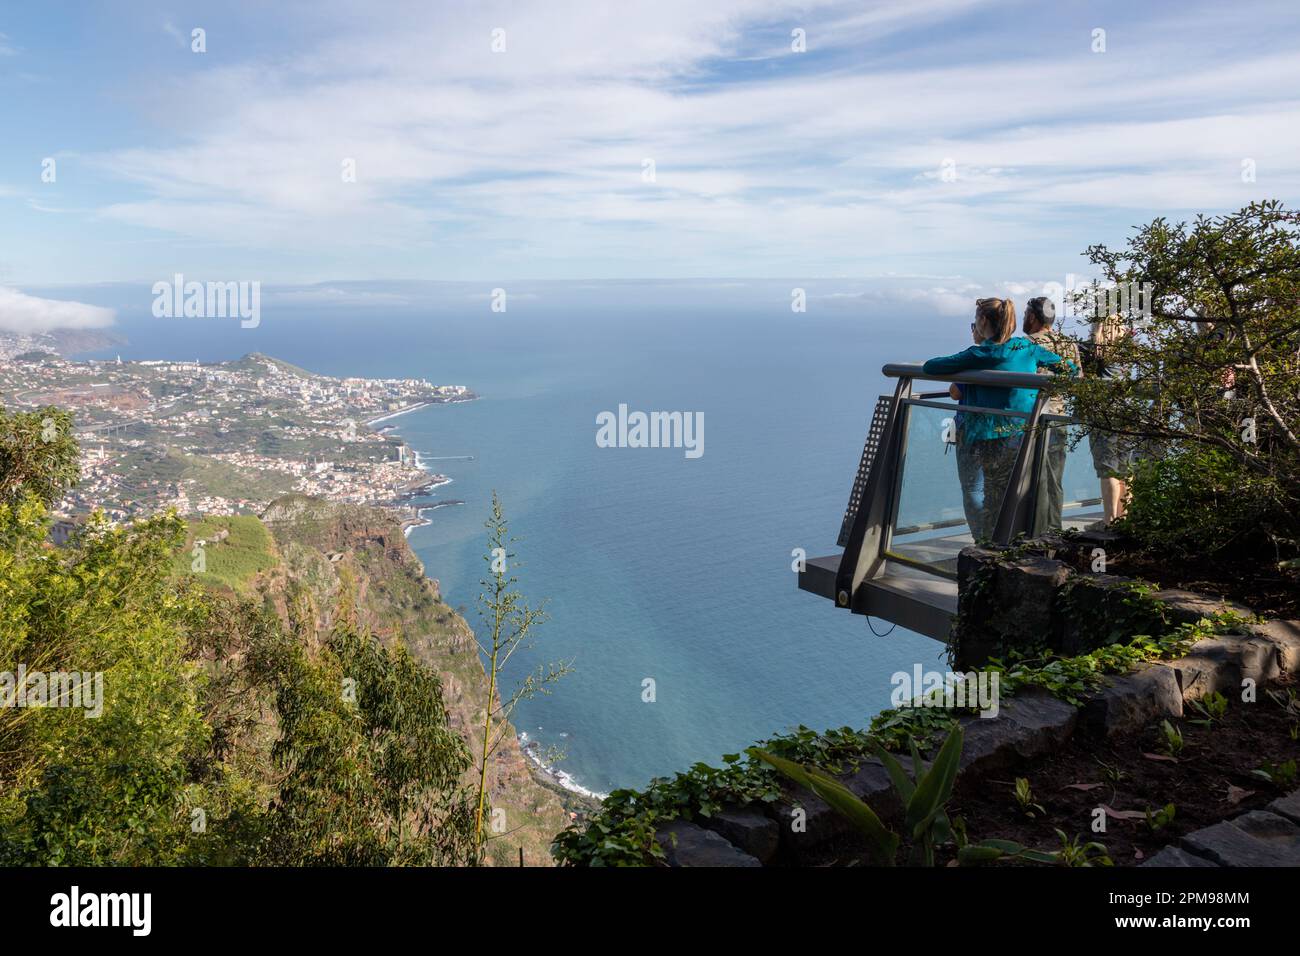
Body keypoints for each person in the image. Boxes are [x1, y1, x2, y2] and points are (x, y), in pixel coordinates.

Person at [925, 298, 1076, 543]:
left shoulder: (978, 353)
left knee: (973, 490)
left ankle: (983, 543)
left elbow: (932, 367)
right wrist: (1034, 387)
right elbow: (1068, 368)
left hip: (977, 435)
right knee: (1005, 492)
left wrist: (969, 371)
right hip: (1017, 433)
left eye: (975, 320)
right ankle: (1005, 541)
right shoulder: (1025, 348)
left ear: (982, 321)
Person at [1022, 296, 1082, 533]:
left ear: (1034, 317)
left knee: (1032, 477)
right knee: (1054, 477)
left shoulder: (1027, 344)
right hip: (1059, 417)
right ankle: (1054, 529)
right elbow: (1079, 380)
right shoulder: (1069, 344)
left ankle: (1034, 531)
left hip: (1033, 417)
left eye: (1026, 314)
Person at [1079, 314, 1133, 524]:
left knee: (1108, 468)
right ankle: (1124, 517)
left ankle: (1109, 519)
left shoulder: (1091, 350)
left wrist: (1094, 334)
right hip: (1127, 410)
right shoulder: (1128, 347)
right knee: (1125, 466)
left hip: (1103, 412)